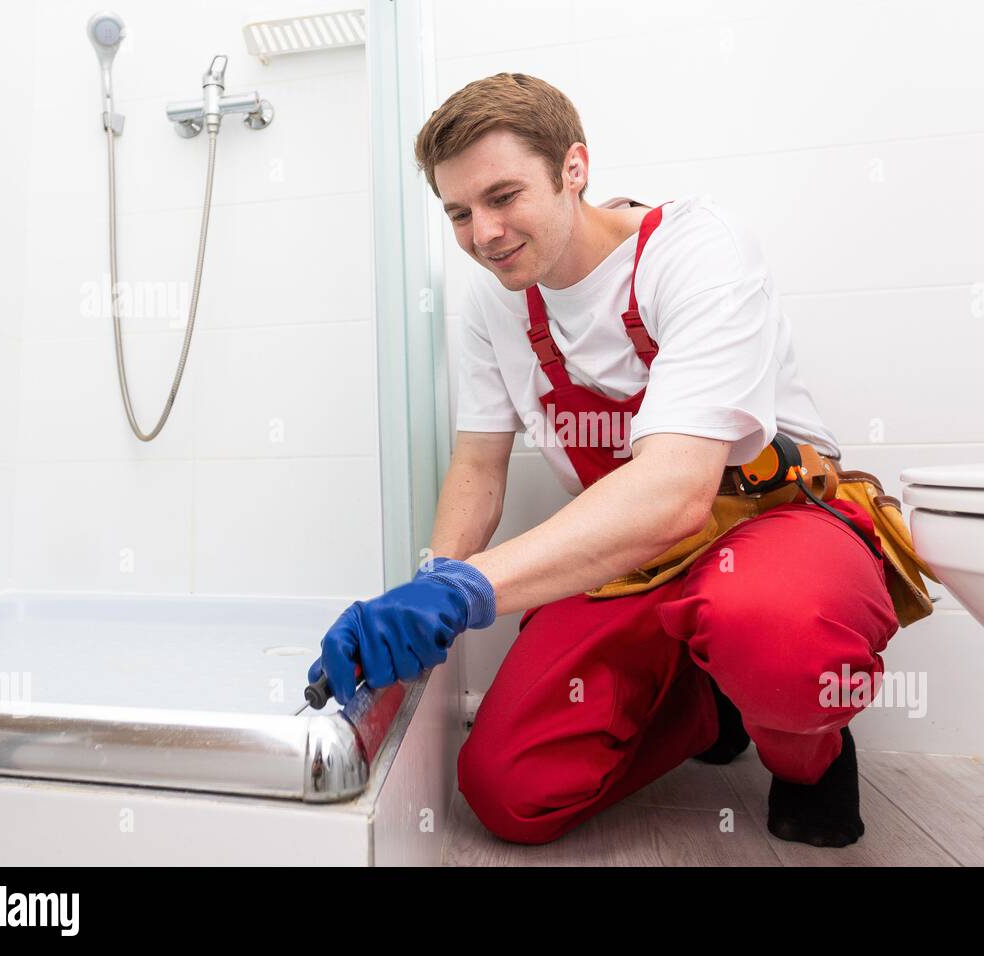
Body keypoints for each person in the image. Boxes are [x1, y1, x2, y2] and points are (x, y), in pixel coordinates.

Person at [308, 72, 899, 848]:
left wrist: (463, 594)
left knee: (774, 634)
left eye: (502, 196)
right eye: (459, 212)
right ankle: (708, 704)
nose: (483, 233)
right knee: (506, 791)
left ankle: (809, 759)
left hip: (769, 522)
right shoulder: (493, 304)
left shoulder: (693, 250)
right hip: (632, 555)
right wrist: (426, 600)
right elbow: (480, 468)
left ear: (574, 168)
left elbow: (677, 491)